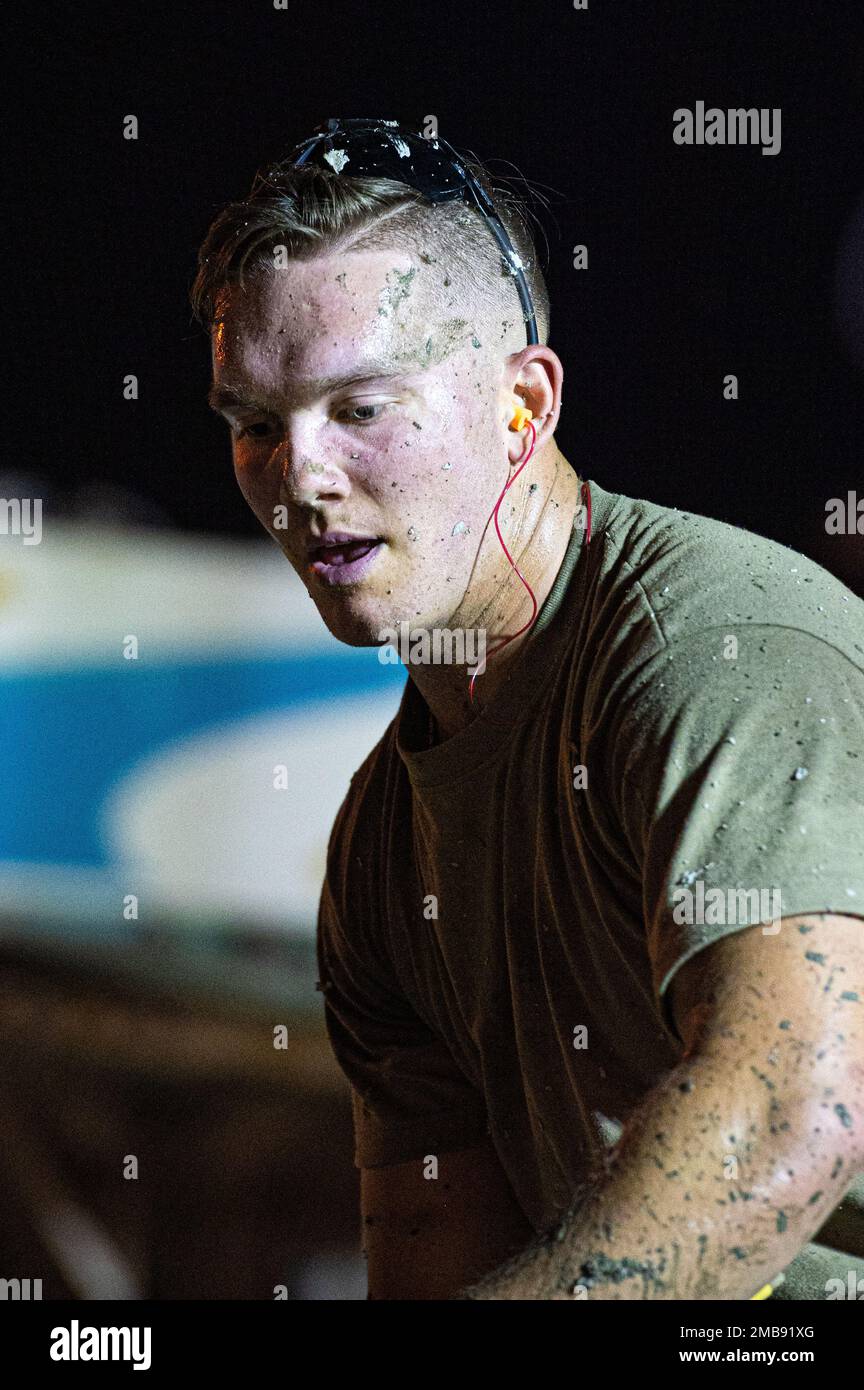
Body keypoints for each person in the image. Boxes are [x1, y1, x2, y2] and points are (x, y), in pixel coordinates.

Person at [191, 121, 864, 1300]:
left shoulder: (723, 651)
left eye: (360, 407)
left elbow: (798, 1111)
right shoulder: (380, 853)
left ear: (522, 406)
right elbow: (440, 1261)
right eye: (256, 425)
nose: (300, 478)